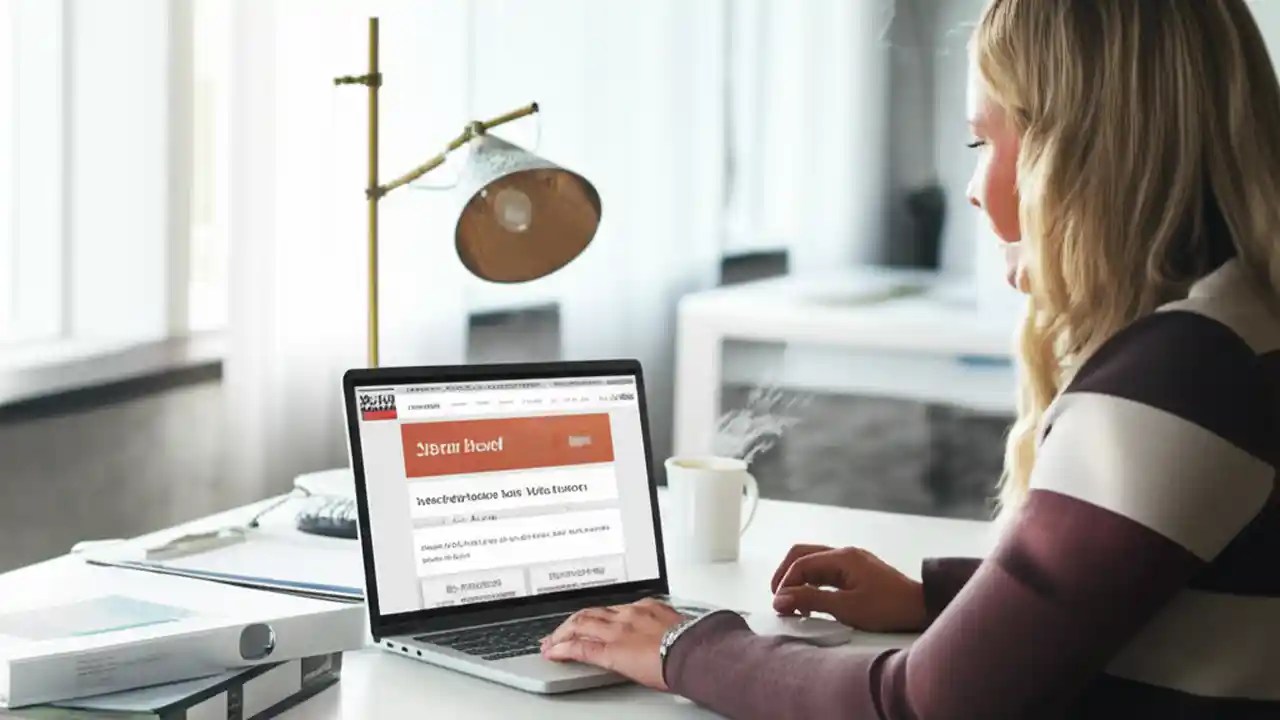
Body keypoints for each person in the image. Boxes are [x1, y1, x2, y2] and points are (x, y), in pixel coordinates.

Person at [538, 0, 1280, 717]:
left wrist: (686, 648)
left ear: (1089, 149)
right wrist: (938, 597)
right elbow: (1140, 591)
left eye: (984, 142)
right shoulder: (1243, 329)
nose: (970, 187)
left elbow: (926, 704)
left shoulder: (1181, 378)